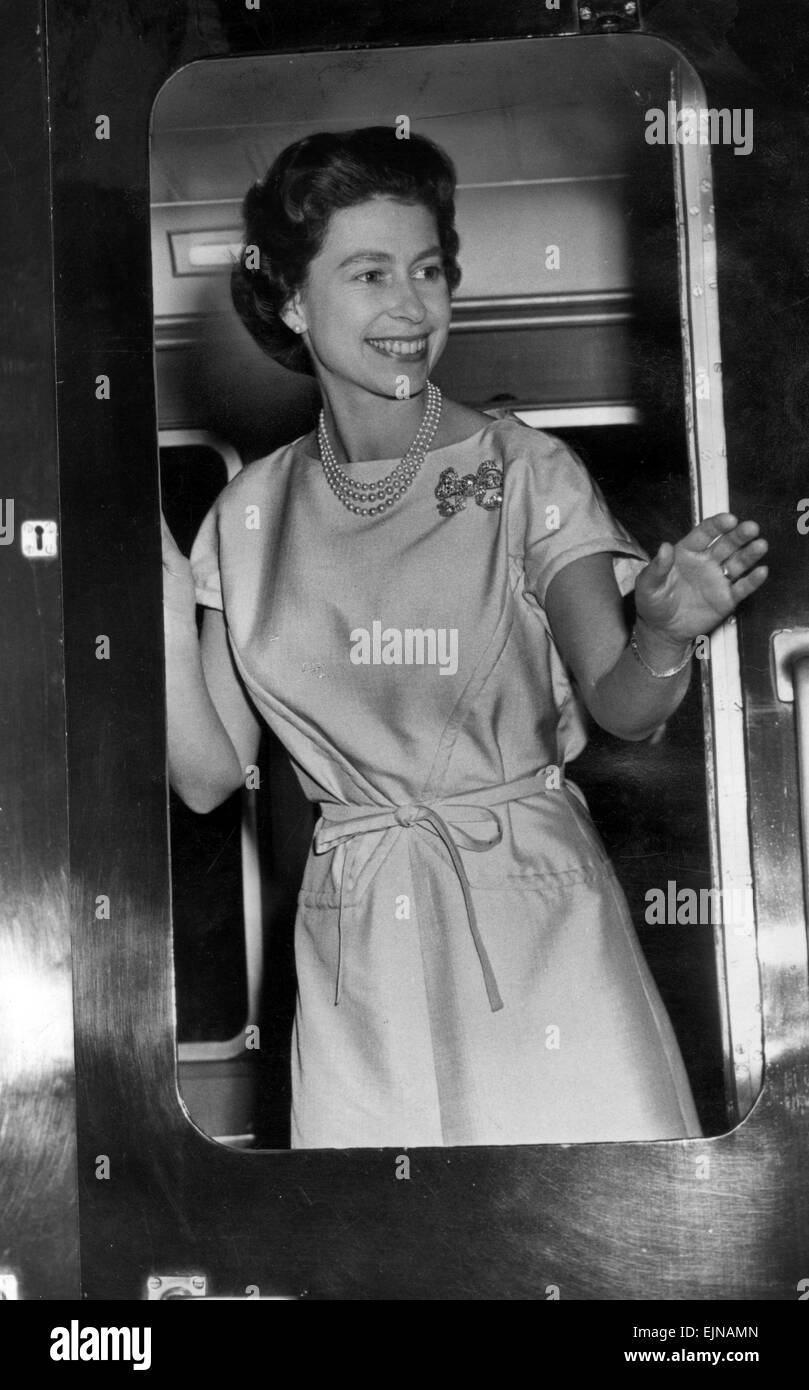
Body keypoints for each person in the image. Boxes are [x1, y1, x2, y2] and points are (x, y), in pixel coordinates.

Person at [161, 126, 768, 1149]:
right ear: (295, 302)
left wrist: (662, 630)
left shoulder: (525, 472)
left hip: (534, 915)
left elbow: (621, 705)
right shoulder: (248, 513)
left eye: (428, 270)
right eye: (369, 273)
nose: (411, 306)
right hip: (355, 935)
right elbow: (208, 776)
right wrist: (165, 592)